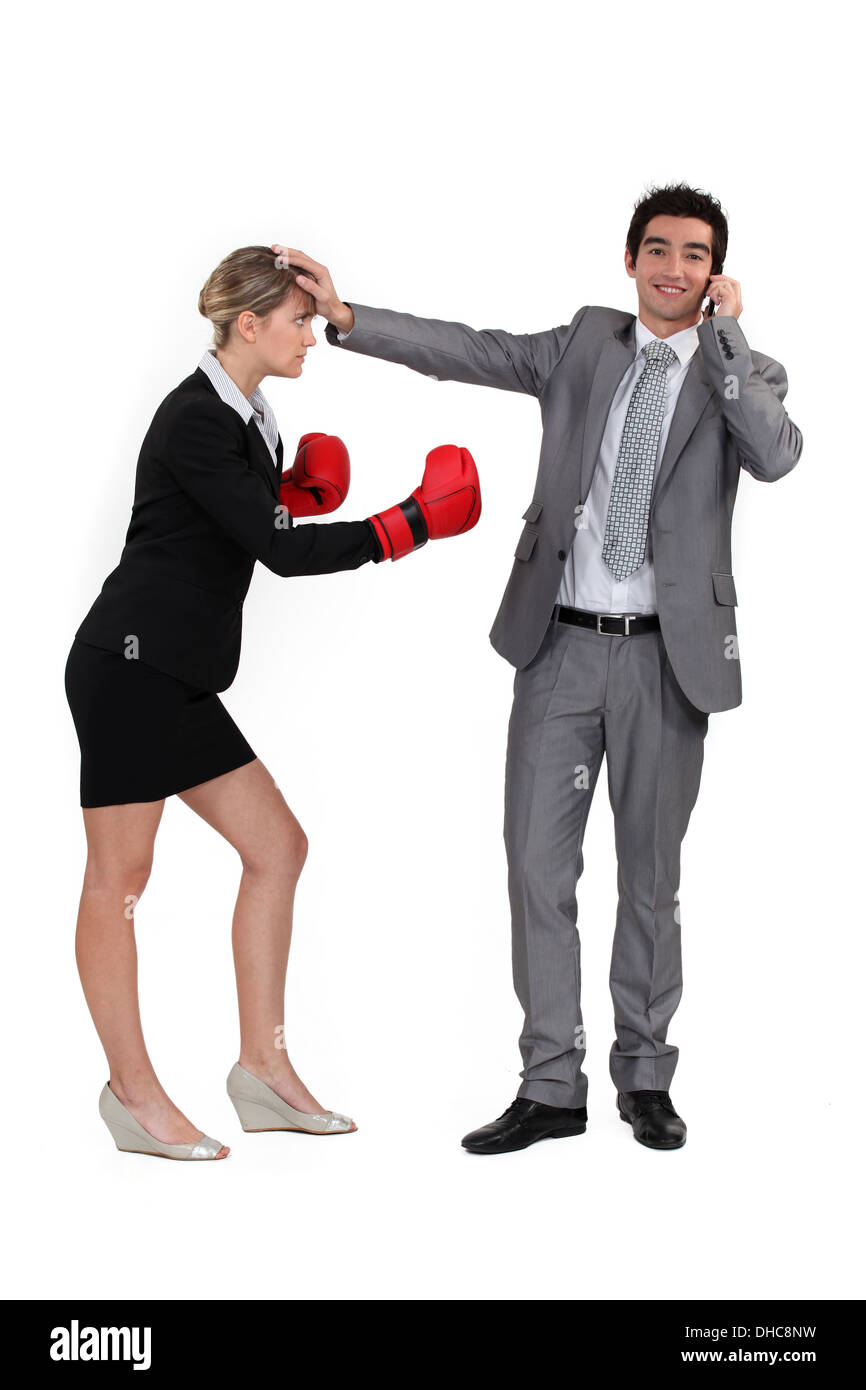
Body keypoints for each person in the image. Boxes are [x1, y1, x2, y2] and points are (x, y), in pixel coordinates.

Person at [273, 180, 804, 1154]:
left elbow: (772, 456)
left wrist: (725, 338)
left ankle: (644, 1075)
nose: (672, 268)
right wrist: (347, 318)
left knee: (648, 878)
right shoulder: (583, 344)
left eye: (693, 254)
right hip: (558, 648)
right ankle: (549, 1084)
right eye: (656, 249)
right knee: (534, 868)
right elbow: (470, 351)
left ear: (715, 272)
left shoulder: (744, 367)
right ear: (629, 258)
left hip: (663, 666)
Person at [65, 244, 480, 1161]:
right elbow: (279, 552)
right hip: (131, 668)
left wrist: (288, 493)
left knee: (277, 847)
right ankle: (133, 1097)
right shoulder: (196, 419)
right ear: (247, 324)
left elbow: (237, 526)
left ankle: (262, 1069)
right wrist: (406, 523)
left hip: (175, 673)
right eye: (300, 320)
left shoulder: (250, 414)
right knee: (120, 883)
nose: (313, 336)